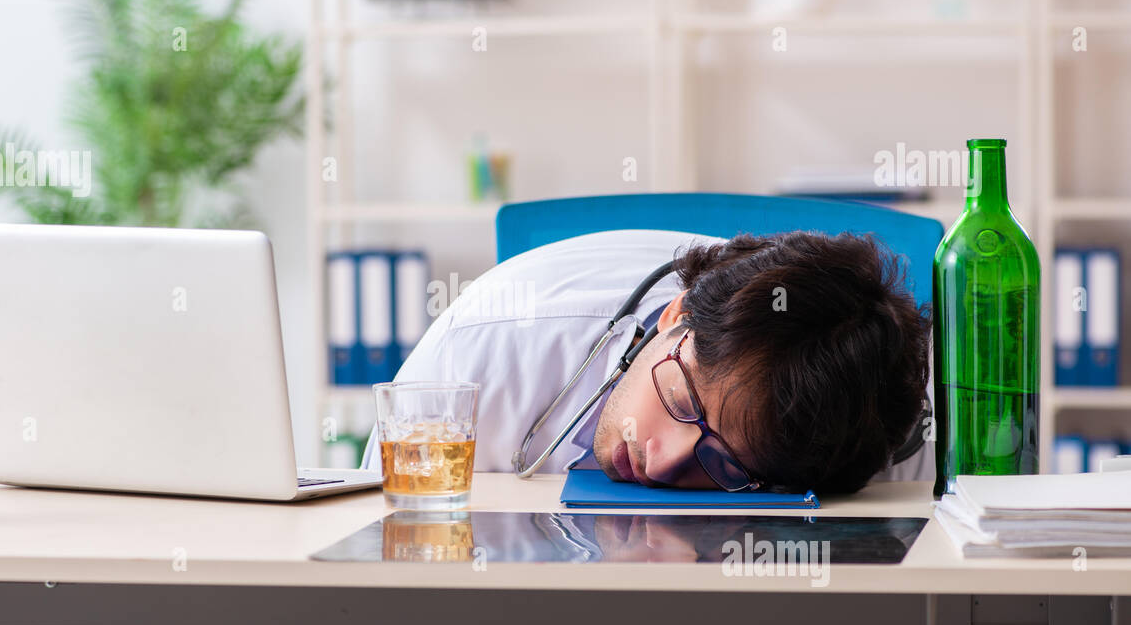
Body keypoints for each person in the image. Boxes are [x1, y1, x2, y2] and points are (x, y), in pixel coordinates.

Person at [359, 229, 932, 494]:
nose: (661, 461)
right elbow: (375, 528)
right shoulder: (488, 343)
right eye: (681, 400)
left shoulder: (880, 438)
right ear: (673, 318)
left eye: (726, 466)